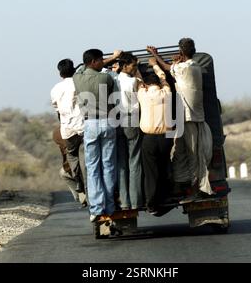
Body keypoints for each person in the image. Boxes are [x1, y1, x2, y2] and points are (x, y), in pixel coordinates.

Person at [147, 38, 213, 200]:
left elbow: (168, 68)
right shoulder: (195, 66)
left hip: (188, 118)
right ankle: (181, 185)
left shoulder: (184, 69)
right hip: (190, 117)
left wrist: (155, 56)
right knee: (179, 152)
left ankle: (196, 190)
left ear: (182, 53)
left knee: (192, 154)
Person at [72, 49, 122, 222]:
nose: (103, 63)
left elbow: (79, 68)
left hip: (90, 124)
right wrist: (115, 58)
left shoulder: (77, 78)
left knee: (93, 167)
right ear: (93, 61)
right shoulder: (105, 78)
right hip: (107, 122)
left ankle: (96, 208)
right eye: (101, 60)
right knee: (108, 166)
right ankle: (109, 206)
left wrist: (109, 59)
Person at [137, 58, 174, 214]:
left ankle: (151, 203)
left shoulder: (142, 95)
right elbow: (164, 79)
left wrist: (138, 68)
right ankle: (166, 197)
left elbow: (138, 81)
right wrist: (155, 65)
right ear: (158, 84)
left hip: (149, 139)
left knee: (151, 172)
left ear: (146, 86)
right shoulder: (166, 93)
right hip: (166, 138)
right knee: (165, 167)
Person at [50, 59, 86, 197]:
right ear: (74, 70)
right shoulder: (80, 83)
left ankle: (77, 181)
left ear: (60, 74)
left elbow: (57, 109)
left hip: (67, 128)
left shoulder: (55, 89)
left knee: (72, 155)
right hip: (83, 125)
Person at [115, 52, 143, 210]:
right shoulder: (134, 81)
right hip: (132, 121)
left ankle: (124, 202)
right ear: (125, 66)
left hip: (117, 122)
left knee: (122, 164)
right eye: (134, 65)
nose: (135, 68)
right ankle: (136, 201)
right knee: (134, 162)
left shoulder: (114, 80)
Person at [52, 126, 87, 207]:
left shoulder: (68, 143)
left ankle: (82, 196)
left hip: (79, 170)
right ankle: (82, 196)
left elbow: (68, 164)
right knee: (64, 172)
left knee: (65, 172)